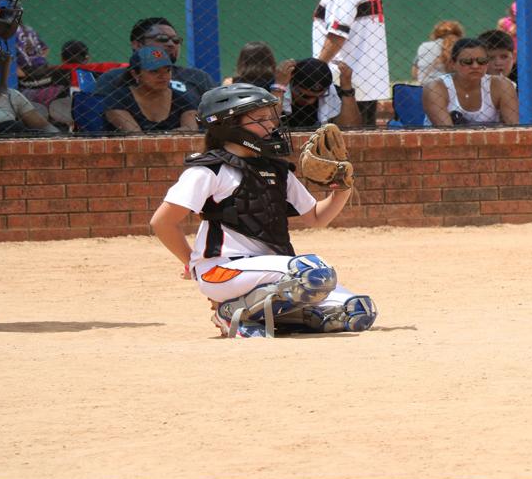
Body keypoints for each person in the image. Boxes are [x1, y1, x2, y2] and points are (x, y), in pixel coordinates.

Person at [149, 84, 375, 338]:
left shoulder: (276, 170)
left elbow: (316, 217)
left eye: (271, 117)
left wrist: (341, 188)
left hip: (276, 273)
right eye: (261, 119)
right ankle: (231, 310)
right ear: (230, 124)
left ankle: (268, 315)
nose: (271, 125)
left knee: (358, 311)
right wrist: (191, 264)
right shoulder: (208, 170)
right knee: (313, 271)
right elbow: (162, 222)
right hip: (222, 271)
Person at [312, 0, 388, 126]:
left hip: (340, 78)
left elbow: (338, 34)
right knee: (364, 137)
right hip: (366, 79)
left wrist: (316, 68)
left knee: (339, 140)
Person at [91, 18, 218, 106]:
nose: (171, 44)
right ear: (138, 44)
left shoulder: (198, 77)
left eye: (176, 40)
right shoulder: (113, 77)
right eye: (162, 39)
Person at [101, 45, 199, 132]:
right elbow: (137, 139)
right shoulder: (118, 100)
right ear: (135, 74)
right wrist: (172, 134)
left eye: (167, 70)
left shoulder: (181, 98)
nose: (163, 76)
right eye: (154, 71)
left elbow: (191, 131)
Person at [422, 37, 517, 126]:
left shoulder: (502, 85)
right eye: (467, 61)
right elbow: (447, 134)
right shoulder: (436, 87)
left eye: (481, 61)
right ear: (453, 64)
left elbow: (514, 127)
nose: (475, 66)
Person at [277, 56, 359, 129]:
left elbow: (351, 128)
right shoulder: (274, 90)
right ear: (291, 84)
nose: (311, 101)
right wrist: (279, 86)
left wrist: (347, 87)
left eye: (320, 96)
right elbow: (270, 127)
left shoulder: (334, 93)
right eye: (305, 96)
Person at [414, 18, 462, 85]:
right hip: (449, 88)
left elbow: (415, 72)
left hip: (424, 88)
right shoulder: (461, 47)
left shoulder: (424, 46)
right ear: (459, 34)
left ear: (435, 34)